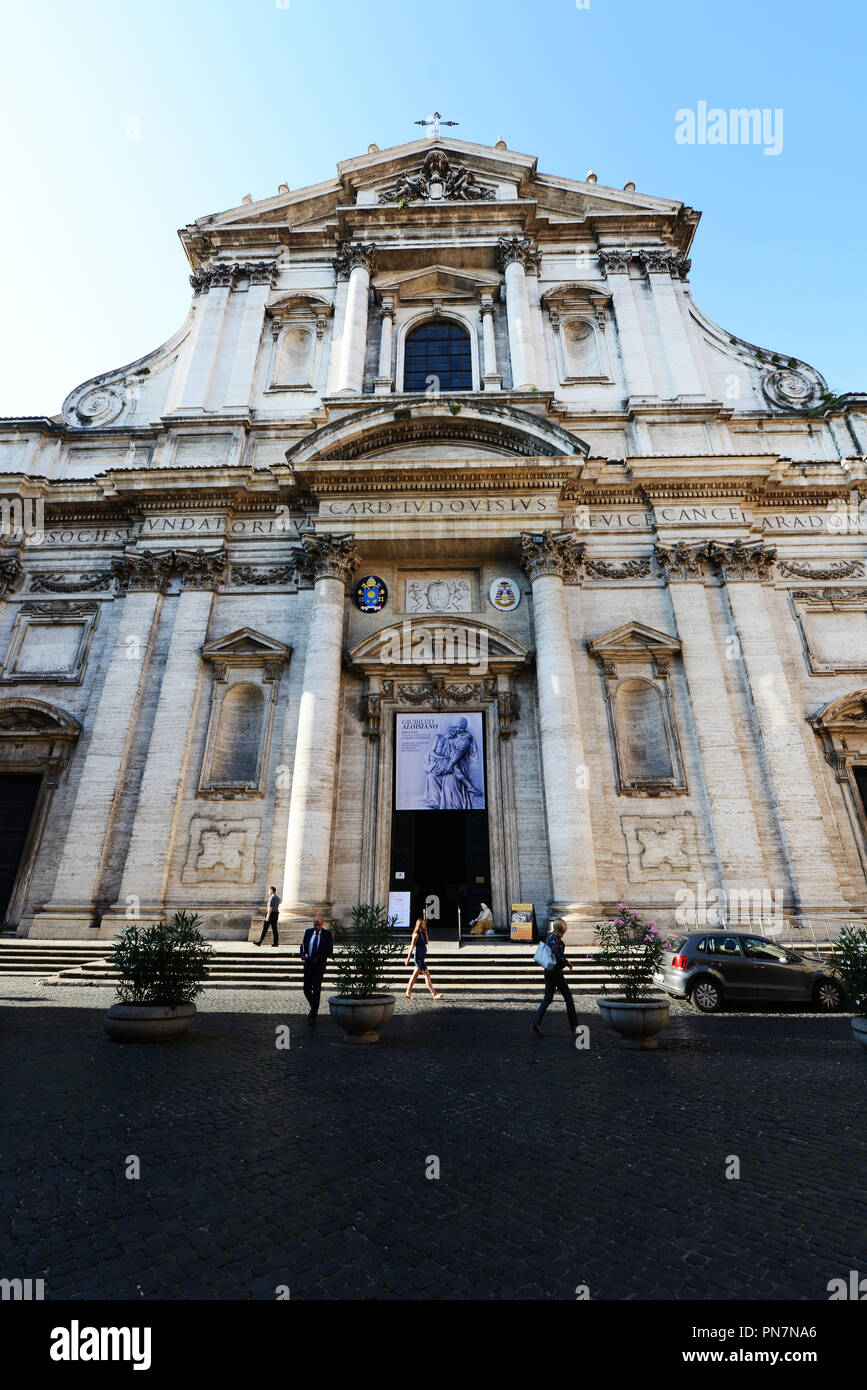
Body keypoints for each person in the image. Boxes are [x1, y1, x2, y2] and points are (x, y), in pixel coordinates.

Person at [531, 919, 578, 1037]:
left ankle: (536, 1022)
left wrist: (565, 961)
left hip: (548, 970)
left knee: (548, 997)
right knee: (568, 997)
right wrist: (566, 962)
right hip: (555, 971)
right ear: (562, 929)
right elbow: (557, 954)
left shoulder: (549, 936)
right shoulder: (555, 939)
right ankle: (574, 1026)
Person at [300, 915, 333, 1026]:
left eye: (318, 925)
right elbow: (303, 945)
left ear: (322, 924)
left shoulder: (327, 935)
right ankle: (314, 1006)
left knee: (317, 988)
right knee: (306, 989)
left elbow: (329, 951)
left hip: (319, 966)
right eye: (315, 925)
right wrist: (302, 954)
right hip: (308, 965)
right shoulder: (308, 932)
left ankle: (313, 1015)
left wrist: (318, 958)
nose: (316, 927)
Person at [404, 917, 442, 1000]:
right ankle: (434, 994)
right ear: (420, 925)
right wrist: (408, 959)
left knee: (415, 975)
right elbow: (412, 947)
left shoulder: (421, 933)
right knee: (427, 974)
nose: (425, 925)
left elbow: (427, 942)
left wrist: (425, 933)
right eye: (423, 924)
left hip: (422, 957)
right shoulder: (416, 935)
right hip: (418, 958)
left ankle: (407, 992)